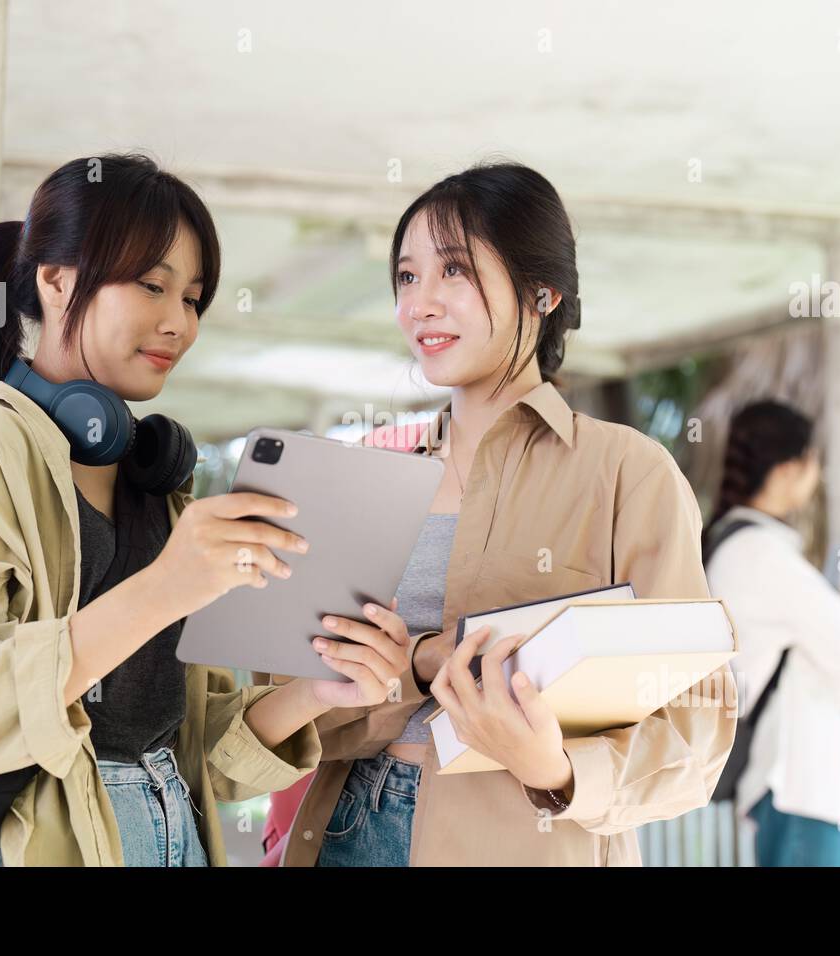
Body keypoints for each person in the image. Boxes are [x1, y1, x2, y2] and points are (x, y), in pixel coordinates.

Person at [0, 154, 405, 866]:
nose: (178, 322)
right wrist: (164, 588)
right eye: (153, 285)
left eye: (193, 298)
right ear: (56, 281)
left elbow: (202, 756)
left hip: (173, 830)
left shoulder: (154, 481)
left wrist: (316, 691)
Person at [265, 161, 737, 867]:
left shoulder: (626, 474)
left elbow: (694, 732)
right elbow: (289, 715)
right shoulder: (363, 469)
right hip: (347, 829)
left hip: (524, 838)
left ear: (541, 292)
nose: (419, 304)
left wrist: (553, 766)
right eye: (405, 276)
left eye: (453, 271)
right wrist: (408, 670)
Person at [702, 400, 840, 866]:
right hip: (799, 785)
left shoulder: (733, 547)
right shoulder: (763, 555)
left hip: (786, 785)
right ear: (791, 468)